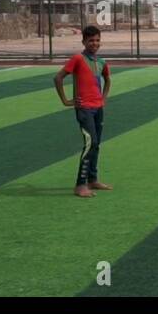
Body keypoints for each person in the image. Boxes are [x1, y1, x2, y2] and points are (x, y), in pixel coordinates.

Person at [53, 25, 112, 198]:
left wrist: (103, 98)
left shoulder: (101, 62)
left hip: (98, 108)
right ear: (84, 41)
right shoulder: (78, 59)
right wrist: (65, 101)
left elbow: (108, 80)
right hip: (84, 109)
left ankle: (93, 179)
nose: (95, 43)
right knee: (90, 143)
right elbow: (58, 78)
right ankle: (80, 185)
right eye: (91, 40)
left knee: (96, 144)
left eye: (97, 40)